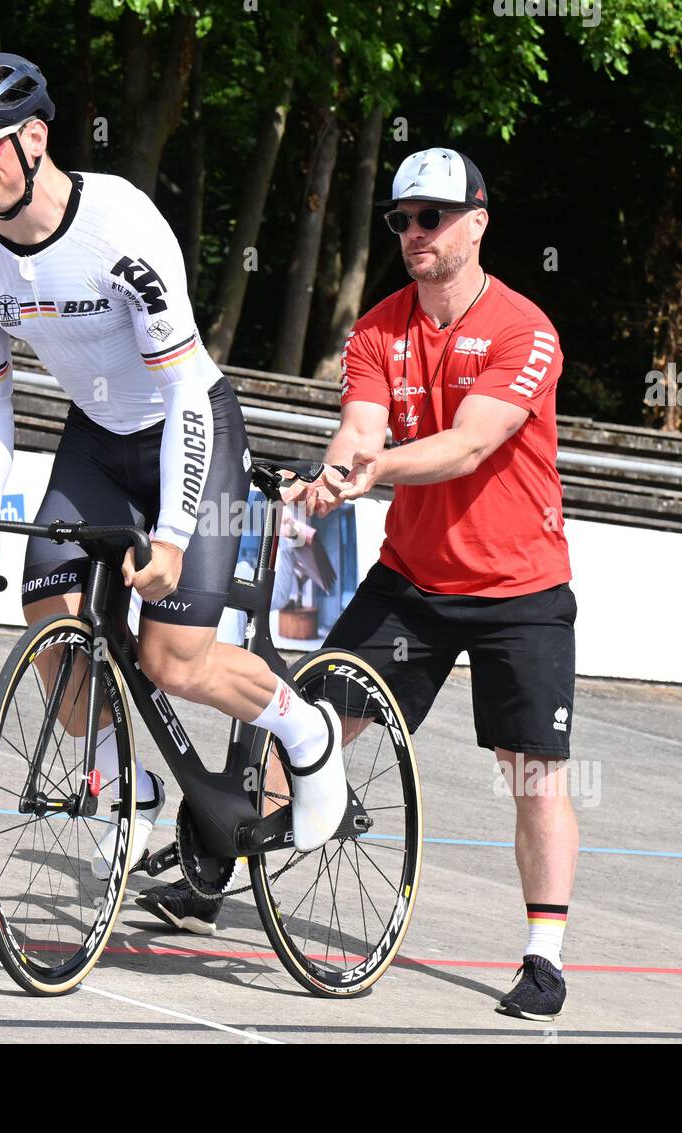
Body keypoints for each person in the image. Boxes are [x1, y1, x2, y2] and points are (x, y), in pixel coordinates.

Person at [138, 148, 578, 1022]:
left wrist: (368, 472)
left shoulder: (525, 329)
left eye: (432, 217)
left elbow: (471, 444)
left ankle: (543, 954)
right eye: (402, 220)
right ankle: (211, 874)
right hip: (412, 579)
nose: (414, 233)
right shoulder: (379, 328)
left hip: (520, 586)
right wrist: (337, 476)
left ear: (477, 223)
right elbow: (358, 432)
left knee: (530, 771)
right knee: (307, 723)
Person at [0, 53, 347, 870]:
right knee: (49, 619)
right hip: (96, 438)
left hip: (190, 428)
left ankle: (308, 729)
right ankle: (134, 788)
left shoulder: (120, 227)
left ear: (34, 138)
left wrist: (176, 535)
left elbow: (187, 392)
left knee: (172, 659)